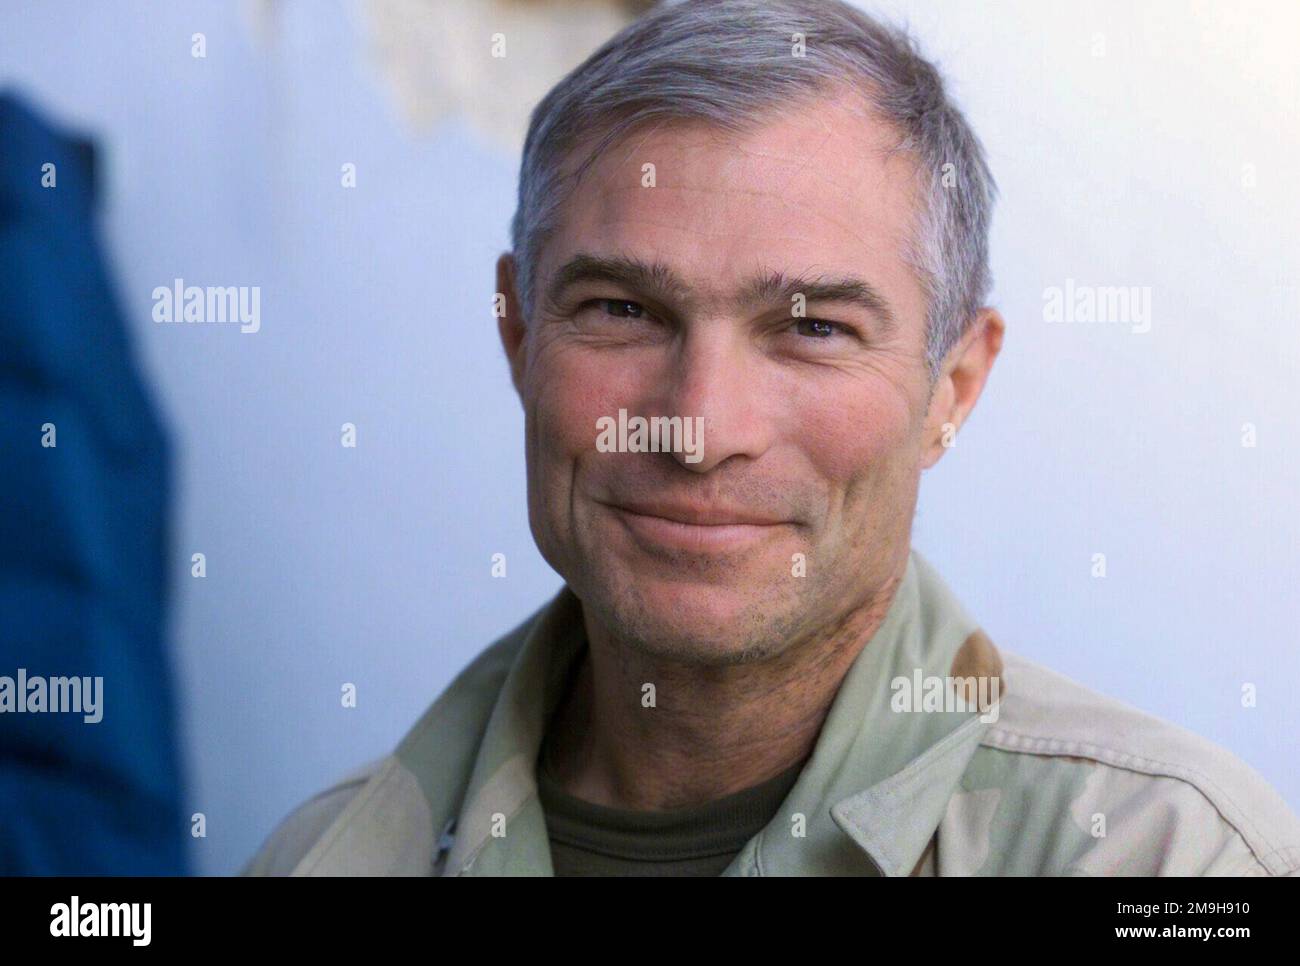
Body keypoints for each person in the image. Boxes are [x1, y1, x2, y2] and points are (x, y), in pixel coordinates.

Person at [243, 0, 1300, 876]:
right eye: (621, 311)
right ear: (517, 334)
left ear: (954, 386)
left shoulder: (1165, 863)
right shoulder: (321, 857)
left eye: (812, 329)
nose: (700, 430)